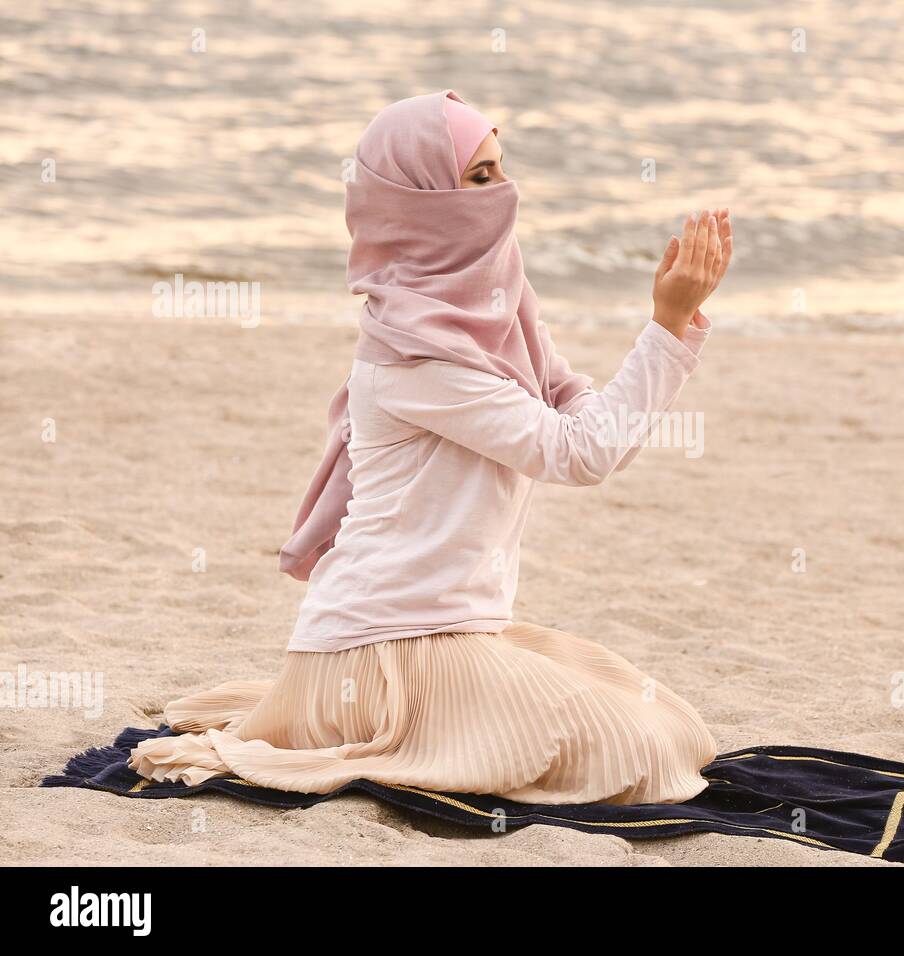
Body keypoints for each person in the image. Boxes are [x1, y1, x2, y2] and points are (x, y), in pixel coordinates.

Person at [128, 89, 734, 805]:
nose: (501, 193)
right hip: (384, 649)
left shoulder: (488, 306)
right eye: (478, 177)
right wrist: (665, 328)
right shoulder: (417, 359)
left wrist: (662, 334)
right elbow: (581, 453)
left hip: (453, 629)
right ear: (419, 199)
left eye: (500, 171)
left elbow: (570, 400)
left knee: (673, 724)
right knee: (636, 754)